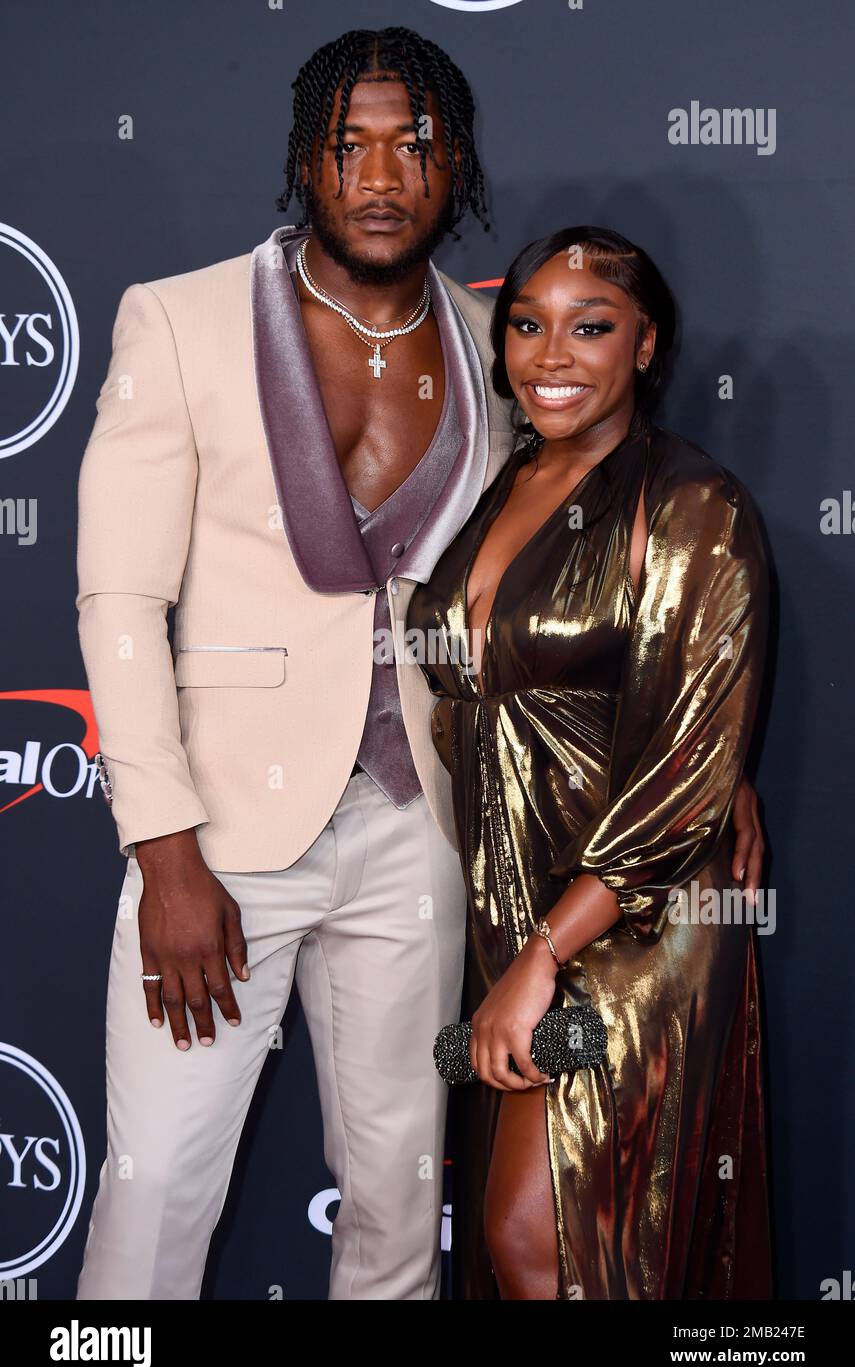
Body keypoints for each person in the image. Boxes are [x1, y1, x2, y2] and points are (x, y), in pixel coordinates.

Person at [74, 26, 764, 1302]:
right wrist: (163, 844)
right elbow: (120, 597)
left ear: (456, 170)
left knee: (398, 1187)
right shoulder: (179, 320)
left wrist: (704, 750)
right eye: (351, 147)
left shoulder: (496, 343)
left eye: (415, 145)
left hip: (428, 828)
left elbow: (588, 555)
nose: (382, 174)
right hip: (223, 829)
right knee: (158, 1177)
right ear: (307, 162)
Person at [407, 226, 774, 1300]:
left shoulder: (693, 506)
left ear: (646, 345)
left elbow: (681, 769)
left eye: (591, 327)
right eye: (527, 325)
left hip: (626, 926)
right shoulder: (502, 480)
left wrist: (540, 957)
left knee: (548, 1238)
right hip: (508, 903)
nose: (551, 354)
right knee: (537, 1249)